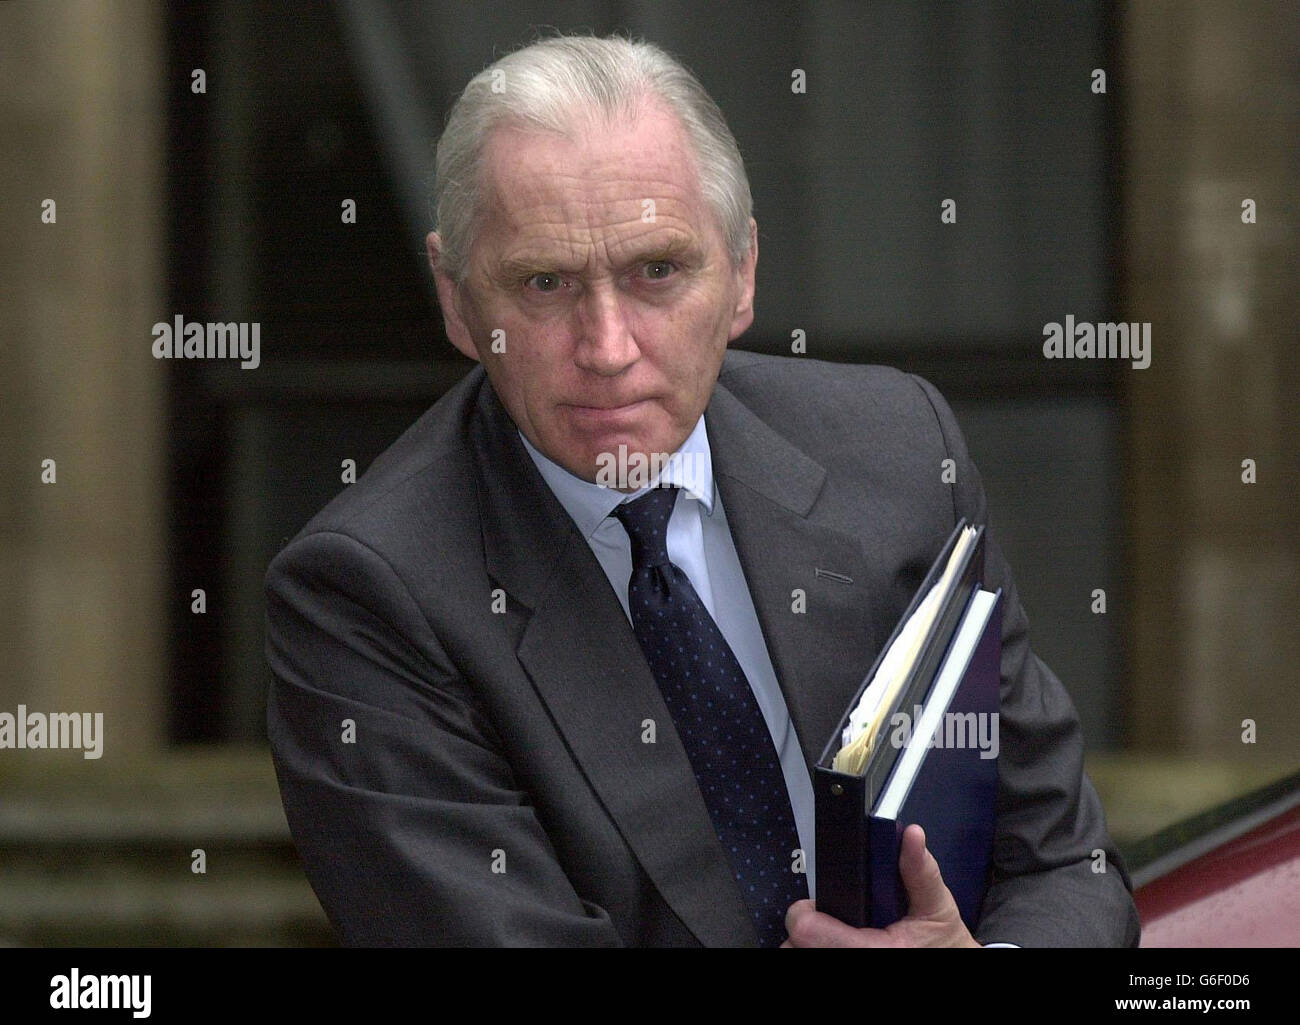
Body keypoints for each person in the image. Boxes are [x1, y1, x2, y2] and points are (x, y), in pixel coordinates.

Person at [265, 33, 1140, 948]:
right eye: (544, 283)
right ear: (456, 302)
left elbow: (1059, 862)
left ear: (743, 273)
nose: (607, 348)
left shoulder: (900, 451)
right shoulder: (366, 595)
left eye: (657, 272)